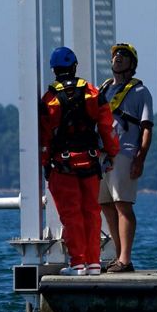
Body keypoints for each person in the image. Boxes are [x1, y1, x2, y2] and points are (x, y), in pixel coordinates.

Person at [39, 46, 119, 276]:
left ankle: (77, 264)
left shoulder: (49, 99)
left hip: (62, 166)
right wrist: (111, 152)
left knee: (71, 215)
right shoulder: (92, 93)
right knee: (92, 213)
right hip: (90, 163)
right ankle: (93, 263)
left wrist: (45, 163)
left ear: (54, 70)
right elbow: (107, 128)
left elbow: (44, 137)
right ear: (74, 66)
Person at [97, 42, 154, 274]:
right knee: (106, 205)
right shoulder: (103, 88)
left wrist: (140, 158)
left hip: (124, 152)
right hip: (102, 154)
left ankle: (125, 258)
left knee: (122, 204)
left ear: (132, 64)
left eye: (124, 55)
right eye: (115, 55)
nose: (118, 57)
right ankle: (118, 256)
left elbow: (147, 127)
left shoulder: (140, 91)